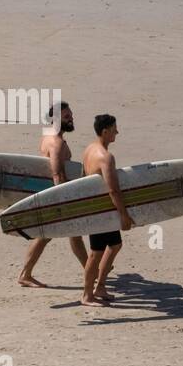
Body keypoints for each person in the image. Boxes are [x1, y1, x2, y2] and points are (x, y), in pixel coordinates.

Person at [18, 103, 89, 286]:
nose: (71, 119)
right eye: (67, 117)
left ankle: (91, 271)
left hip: (51, 192)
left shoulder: (49, 136)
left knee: (60, 234)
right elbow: (57, 172)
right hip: (56, 194)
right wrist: (63, 199)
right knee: (67, 233)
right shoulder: (56, 142)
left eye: (71, 115)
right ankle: (92, 272)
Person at [81, 115, 133, 307]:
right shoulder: (105, 157)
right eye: (114, 129)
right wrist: (123, 215)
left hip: (97, 208)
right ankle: (87, 295)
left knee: (116, 244)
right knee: (96, 252)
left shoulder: (89, 150)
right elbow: (113, 189)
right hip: (100, 211)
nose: (117, 132)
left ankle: (100, 286)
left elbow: (82, 178)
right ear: (105, 131)